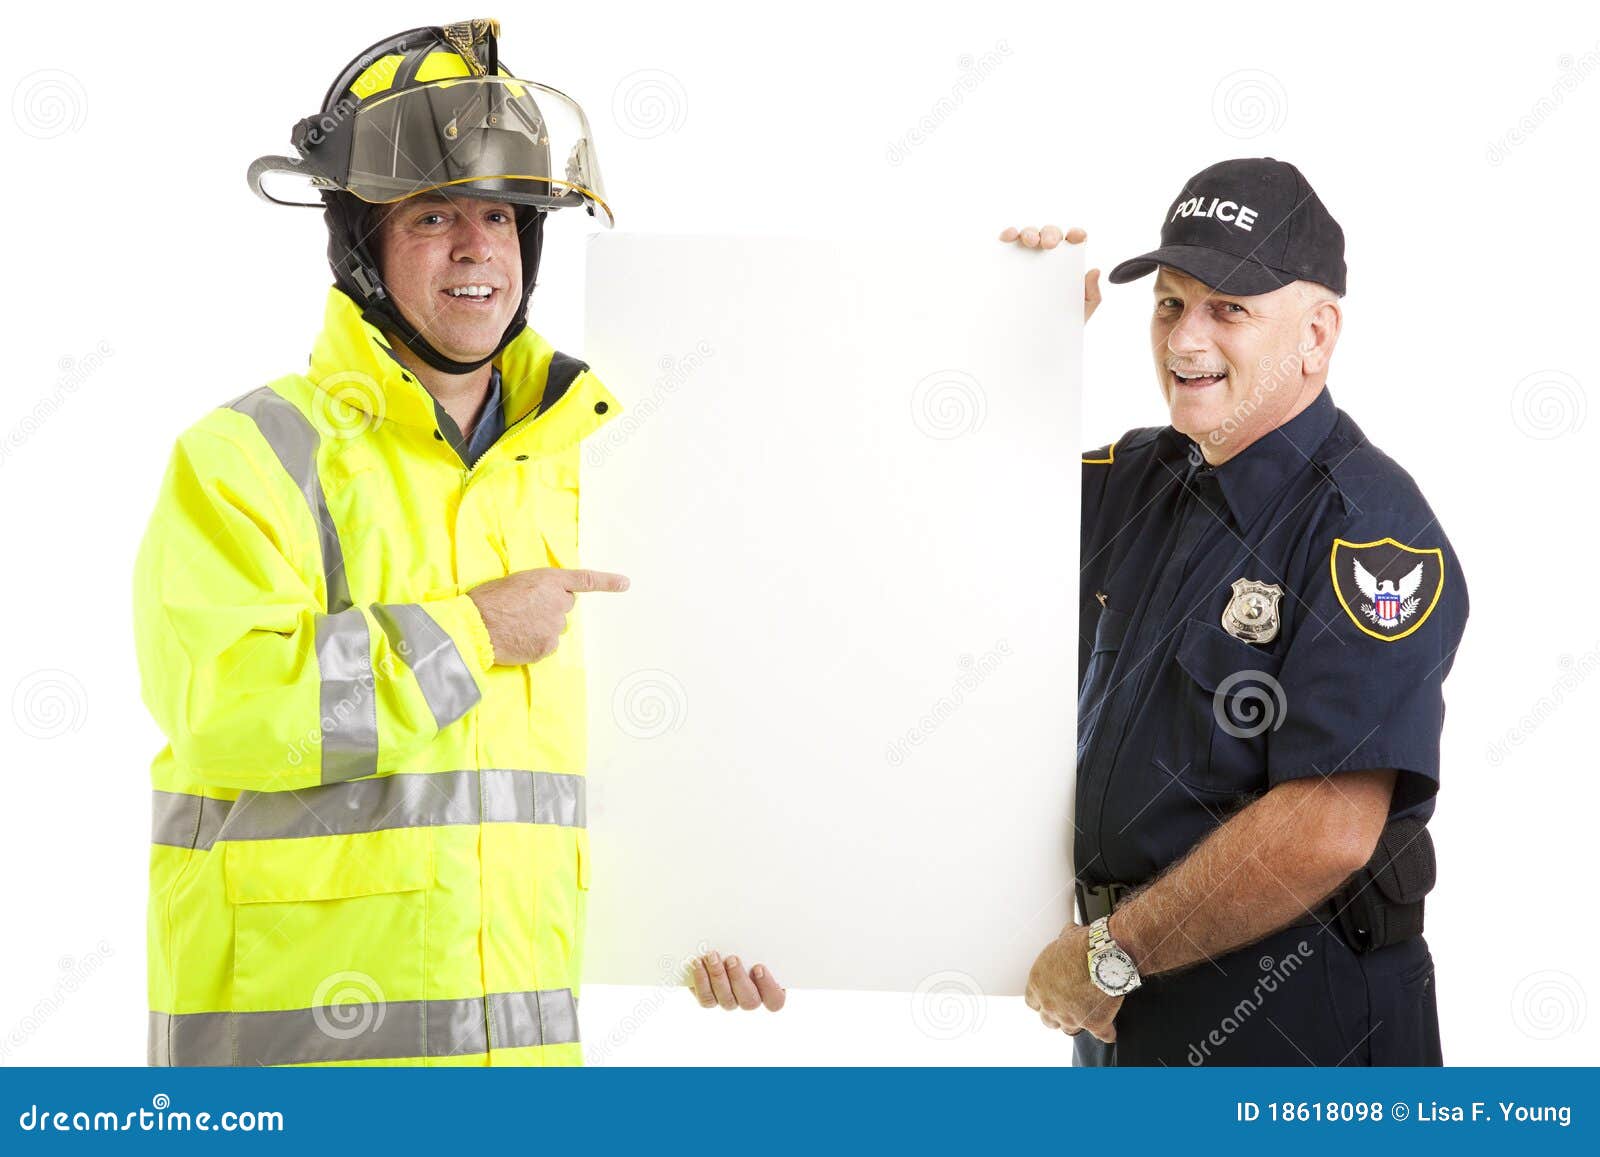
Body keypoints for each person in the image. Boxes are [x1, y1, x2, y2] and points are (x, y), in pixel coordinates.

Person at [137, 18, 778, 1069]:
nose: (479, 246)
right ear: (362, 248)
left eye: (500, 214)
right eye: (435, 215)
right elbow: (227, 711)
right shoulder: (248, 458)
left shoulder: (604, 463)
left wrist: (717, 913)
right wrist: (468, 632)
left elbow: (685, 722)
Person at [1002, 157, 1468, 1065]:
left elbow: (1326, 825)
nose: (1184, 339)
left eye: (1229, 309)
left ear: (1316, 334)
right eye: (1171, 303)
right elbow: (945, 524)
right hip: (1119, 1007)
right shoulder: (1137, 479)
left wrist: (1111, 953)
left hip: (1296, 1030)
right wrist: (1004, 333)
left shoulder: (1367, 530)